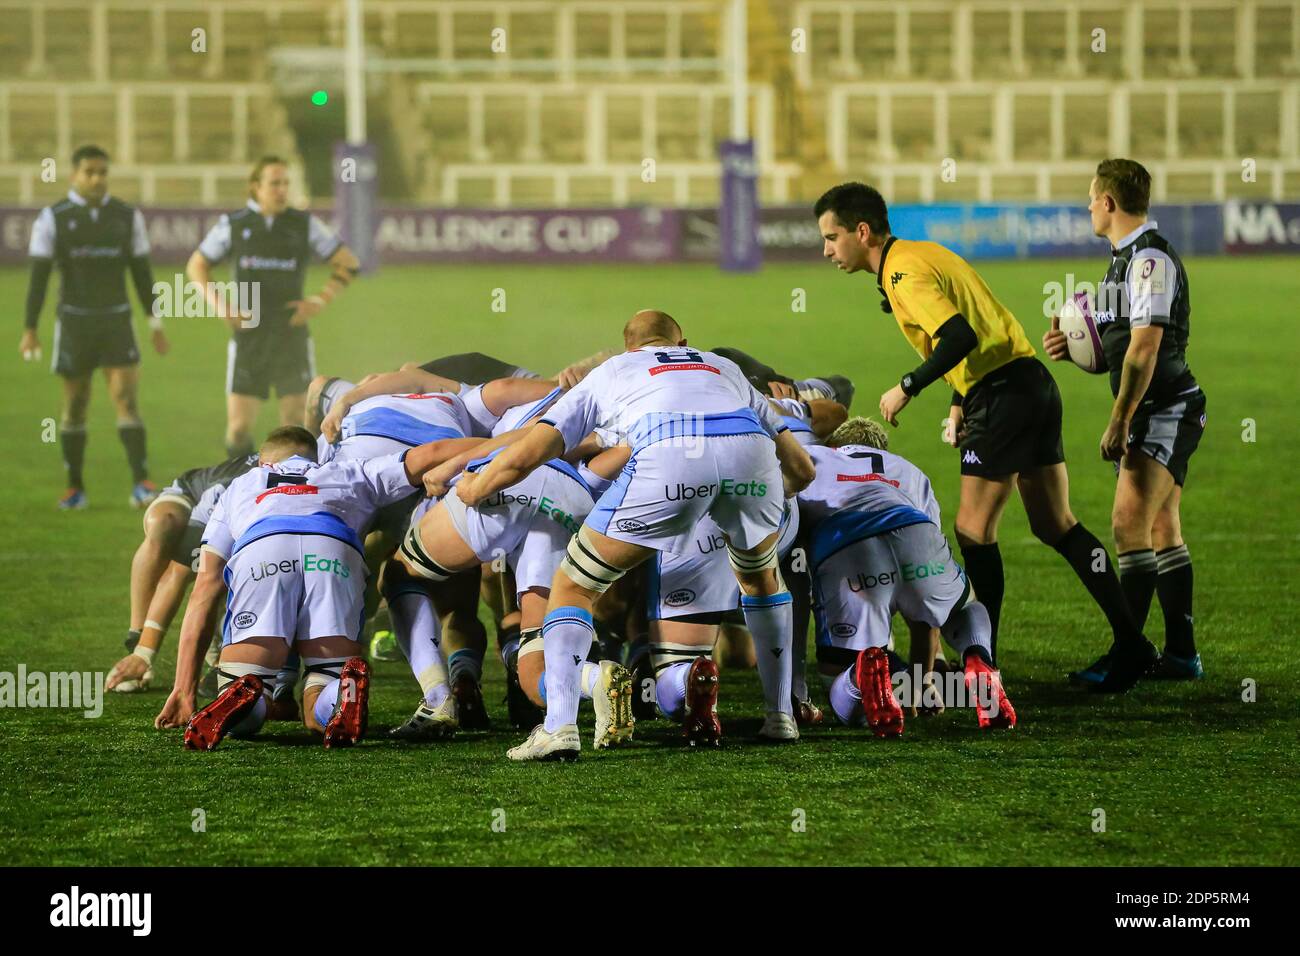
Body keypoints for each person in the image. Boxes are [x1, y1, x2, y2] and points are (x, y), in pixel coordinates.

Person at [815, 182, 1157, 692]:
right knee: (1057, 525)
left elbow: (959, 335)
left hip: (1002, 396)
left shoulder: (903, 273)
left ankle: (984, 662)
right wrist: (958, 400)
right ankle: (1132, 643)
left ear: (861, 232)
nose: (827, 250)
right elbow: (979, 323)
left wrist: (907, 387)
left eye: (832, 236)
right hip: (1030, 382)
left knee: (974, 531)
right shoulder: (921, 253)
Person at [452, 310, 817, 760]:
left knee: (573, 585)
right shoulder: (723, 367)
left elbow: (537, 447)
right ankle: (780, 717)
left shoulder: (614, 369)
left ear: (629, 347)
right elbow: (802, 468)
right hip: (750, 455)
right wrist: (766, 497)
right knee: (762, 580)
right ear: (684, 342)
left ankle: (559, 728)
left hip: (670, 455)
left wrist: (477, 485)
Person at [154, 426, 454, 749]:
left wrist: (184, 690)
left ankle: (244, 695)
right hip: (331, 554)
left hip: (263, 553)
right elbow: (431, 454)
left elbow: (205, 587)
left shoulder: (240, 486)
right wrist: (501, 445)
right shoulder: (346, 472)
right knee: (318, 706)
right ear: (316, 457)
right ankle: (339, 695)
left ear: (263, 464)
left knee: (242, 714)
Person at [1044, 159, 1206, 683]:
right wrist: (1074, 349)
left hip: (1164, 409)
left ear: (1109, 203)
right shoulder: (1125, 260)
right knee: (1161, 527)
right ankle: (1181, 655)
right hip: (1157, 406)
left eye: (1092, 199)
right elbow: (1119, 346)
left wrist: (1119, 419)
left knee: (1127, 524)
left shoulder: (1148, 261)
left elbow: (1144, 349)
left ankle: (1127, 656)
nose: (1089, 207)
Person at [20, 144, 169, 509]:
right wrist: (30, 327)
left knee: (126, 399)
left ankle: (141, 483)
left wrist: (155, 321)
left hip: (117, 320)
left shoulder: (125, 216)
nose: (97, 178)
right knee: (75, 404)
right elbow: (38, 277)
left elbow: (141, 272)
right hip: (74, 323)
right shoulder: (53, 218)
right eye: (89, 172)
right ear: (74, 175)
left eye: (102, 172)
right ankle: (75, 488)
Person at [186, 156, 360, 458]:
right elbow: (197, 265)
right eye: (275, 183)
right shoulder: (235, 225)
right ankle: (239, 491)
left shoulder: (304, 224)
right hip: (249, 337)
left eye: (286, 183)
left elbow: (348, 262)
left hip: (290, 335)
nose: (282, 190)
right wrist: (222, 307)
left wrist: (320, 300)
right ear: (256, 187)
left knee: (293, 427)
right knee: (239, 428)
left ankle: (290, 493)